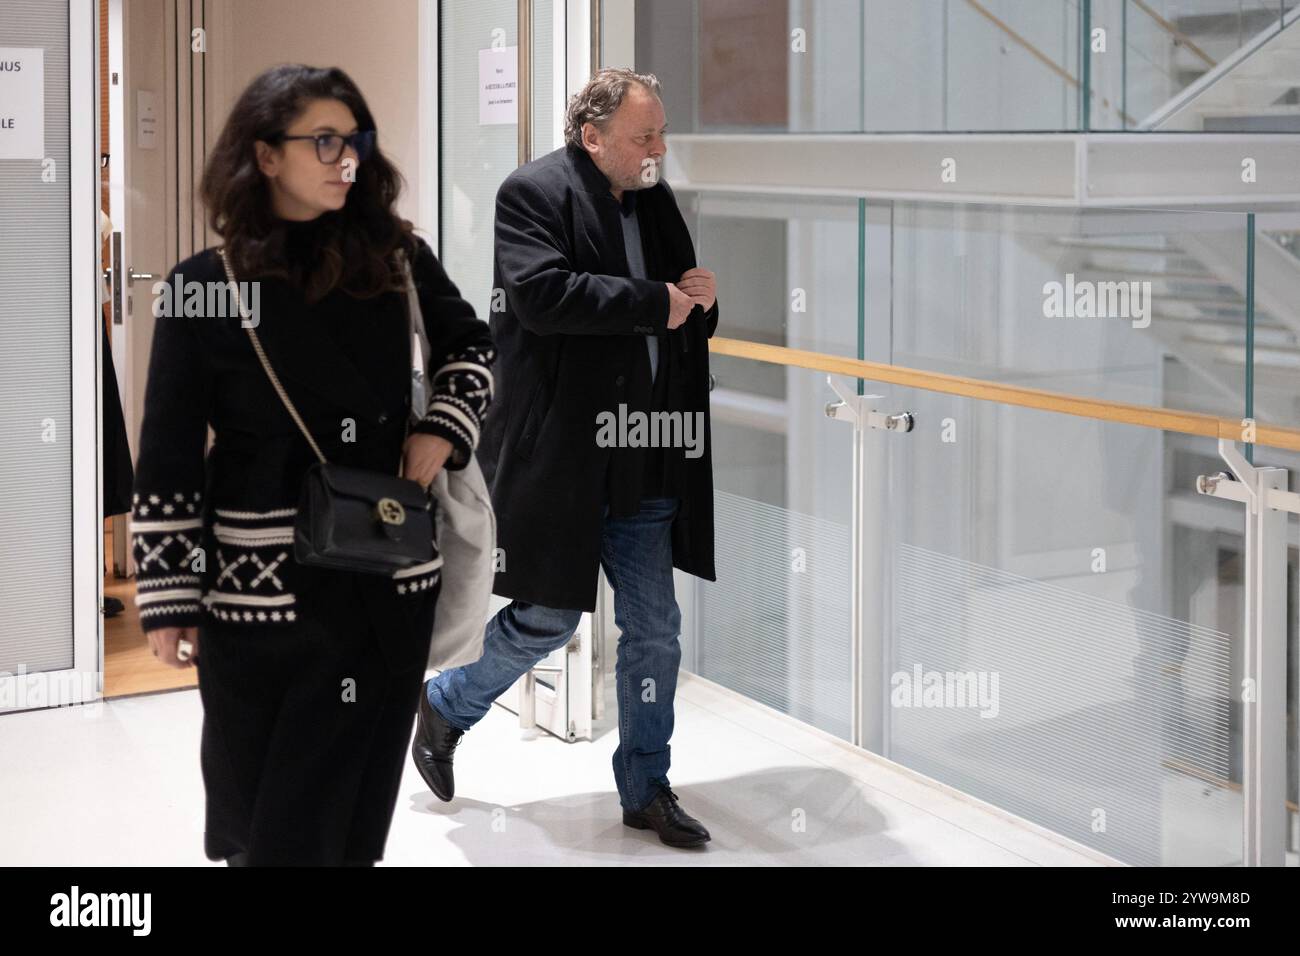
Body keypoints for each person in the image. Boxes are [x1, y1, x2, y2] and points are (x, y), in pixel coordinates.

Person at [131, 63, 494, 866]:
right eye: (323, 141)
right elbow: (168, 451)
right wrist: (165, 597)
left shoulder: (394, 259)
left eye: (354, 141)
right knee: (264, 820)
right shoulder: (205, 287)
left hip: (386, 584)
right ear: (265, 156)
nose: (345, 160)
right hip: (260, 603)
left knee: (353, 821)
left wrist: (443, 425)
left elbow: (472, 345)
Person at [412, 68, 719, 848]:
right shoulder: (532, 193)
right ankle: (446, 704)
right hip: (568, 455)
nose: (658, 149)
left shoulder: (651, 194)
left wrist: (700, 300)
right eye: (643, 136)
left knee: (655, 632)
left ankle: (646, 786)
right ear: (592, 137)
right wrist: (658, 301)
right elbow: (543, 297)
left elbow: (678, 303)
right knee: (546, 619)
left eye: (661, 133)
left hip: (646, 451)